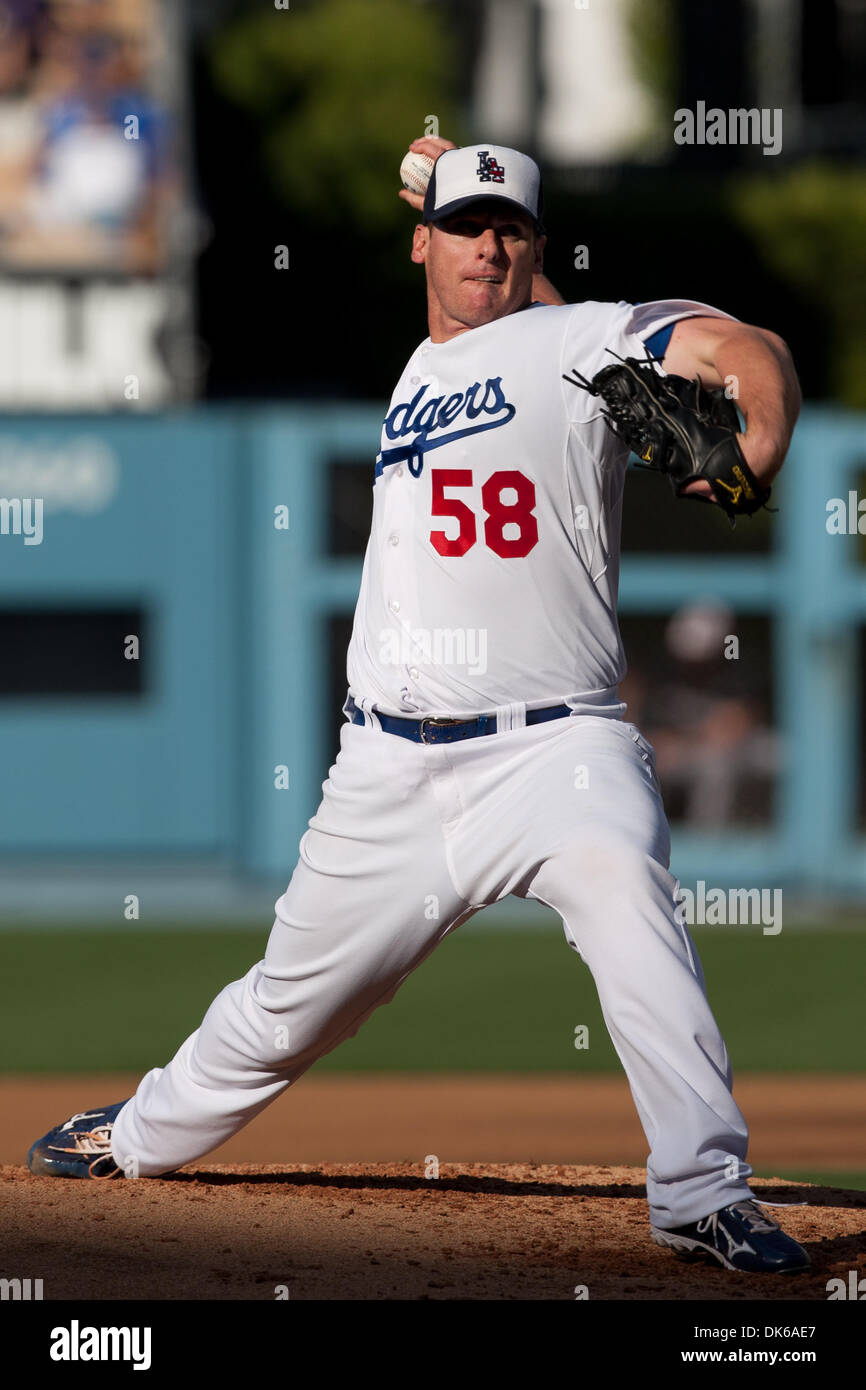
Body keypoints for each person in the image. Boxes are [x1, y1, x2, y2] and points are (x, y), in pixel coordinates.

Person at [28, 138, 808, 1275]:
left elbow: (747, 347)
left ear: (537, 247)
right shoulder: (428, 362)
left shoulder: (579, 339)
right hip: (386, 772)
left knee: (637, 929)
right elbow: (491, 303)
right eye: (462, 225)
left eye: (508, 227)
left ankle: (700, 1187)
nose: (485, 244)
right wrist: (454, 197)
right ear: (421, 240)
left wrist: (760, 433)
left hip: (557, 752)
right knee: (290, 1007)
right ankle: (138, 1135)